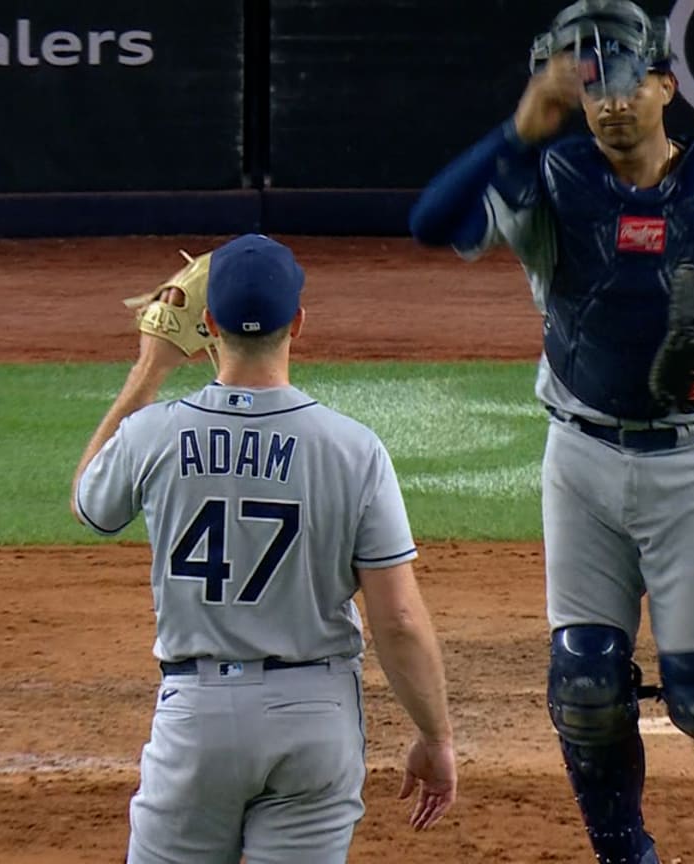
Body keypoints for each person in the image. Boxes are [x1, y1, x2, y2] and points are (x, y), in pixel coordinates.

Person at [407, 2, 694, 863]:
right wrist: (517, 132)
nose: (614, 103)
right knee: (586, 686)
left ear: (666, 85)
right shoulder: (551, 187)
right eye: (593, 88)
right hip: (581, 458)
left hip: (693, 465)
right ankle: (625, 854)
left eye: (630, 81)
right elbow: (431, 224)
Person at [71, 233, 458, 863]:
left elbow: (91, 503)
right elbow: (400, 621)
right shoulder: (354, 449)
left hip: (195, 717)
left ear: (209, 324)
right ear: (298, 322)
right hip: (314, 717)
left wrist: (152, 365)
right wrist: (435, 737)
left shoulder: (153, 434)